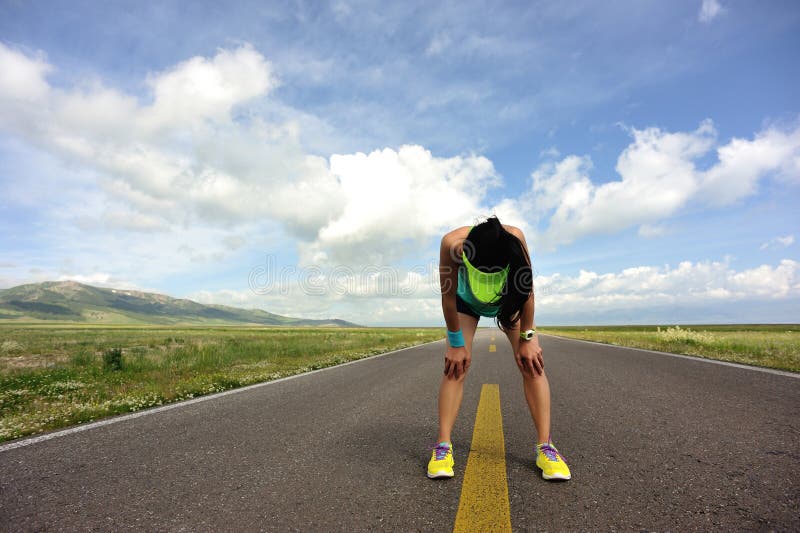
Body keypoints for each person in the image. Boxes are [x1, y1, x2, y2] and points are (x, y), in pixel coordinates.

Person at [427, 216, 571, 481]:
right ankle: (442, 447)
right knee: (455, 368)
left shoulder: (515, 238)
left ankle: (546, 448)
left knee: (532, 364)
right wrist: (456, 344)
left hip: (508, 299)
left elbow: (526, 289)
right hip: (465, 302)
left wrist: (528, 337)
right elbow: (447, 296)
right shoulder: (451, 243)